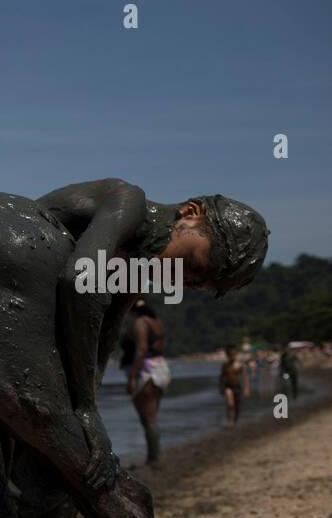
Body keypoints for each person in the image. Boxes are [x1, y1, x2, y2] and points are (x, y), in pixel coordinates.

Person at [36, 182, 268, 486]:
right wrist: (86, 409)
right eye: (191, 265)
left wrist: (89, 404)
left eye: (194, 284)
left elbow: (106, 335)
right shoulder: (128, 202)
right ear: (191, 212)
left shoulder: (138, 269)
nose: (181, 279)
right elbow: (80, 280)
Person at [124, 299, 170, 465]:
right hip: (160, 368)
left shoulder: (140, 323)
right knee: (152, 416)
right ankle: (153, 455)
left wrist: (133, 377)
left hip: (146, 371)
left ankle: (154, 458)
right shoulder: (157, 322)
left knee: (148, 418)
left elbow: (142, 349)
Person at [220, 345, 250, 424]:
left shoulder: (240, 365)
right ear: (227, 356)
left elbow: (245, 377)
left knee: (237, 406)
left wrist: (246, 388)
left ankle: (235, 421)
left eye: (233, 355)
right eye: (230, 355)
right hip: (228, 386)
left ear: (236, 355)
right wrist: (221, 388)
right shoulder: (225, 365)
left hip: (237, 386)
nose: (232, 357)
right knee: (230, 404)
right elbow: (222, 377)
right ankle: (229, 421)